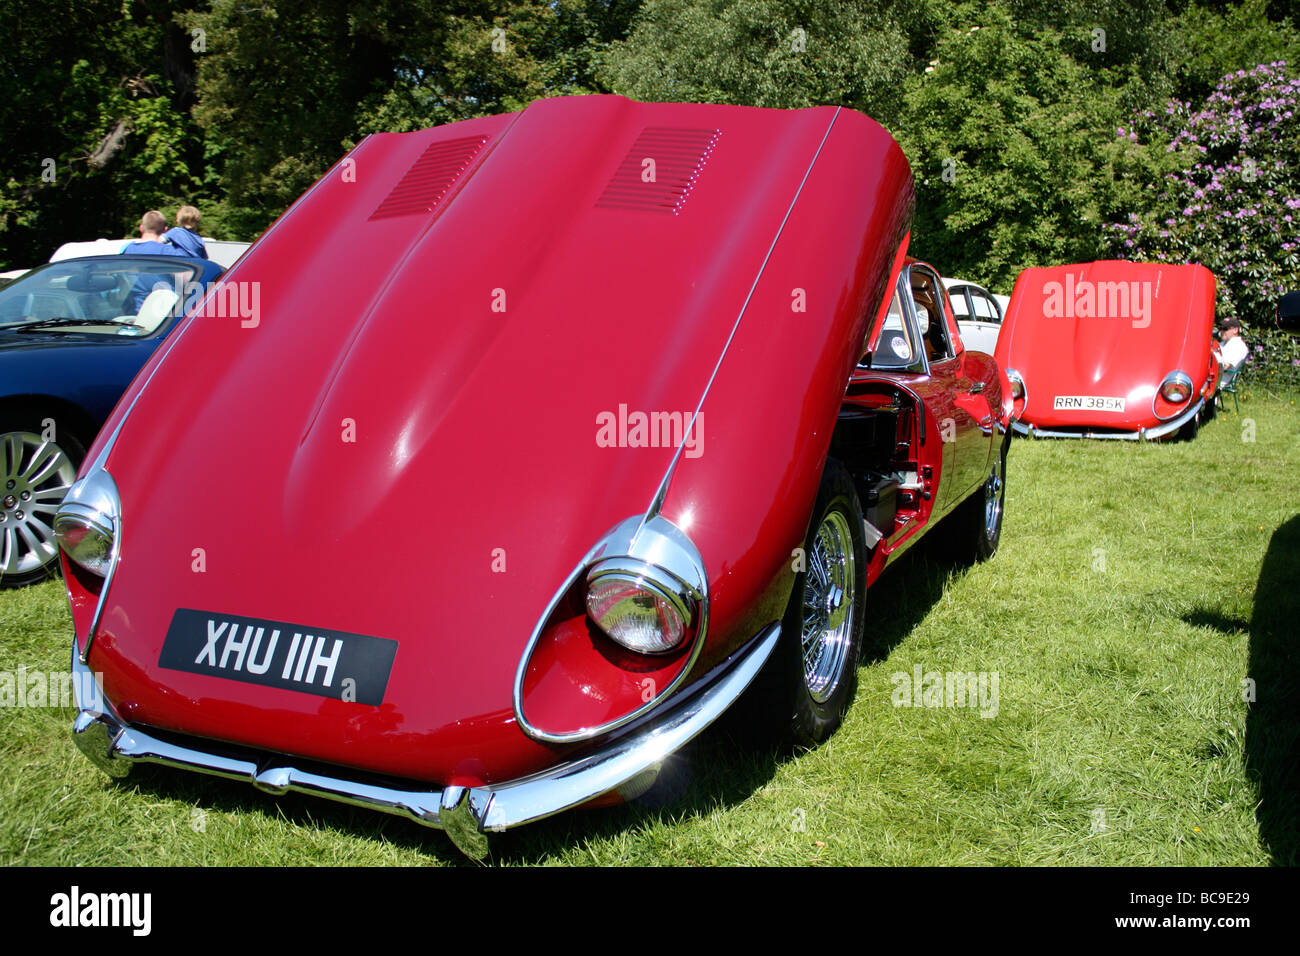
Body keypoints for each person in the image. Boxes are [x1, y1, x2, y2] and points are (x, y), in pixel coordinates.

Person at [121, 210, 187, 313]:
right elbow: (186, 280)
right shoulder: (168, 251)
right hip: (165, 312)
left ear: (141, 228)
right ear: (165, 230)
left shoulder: (127, 250)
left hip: (135, 312)